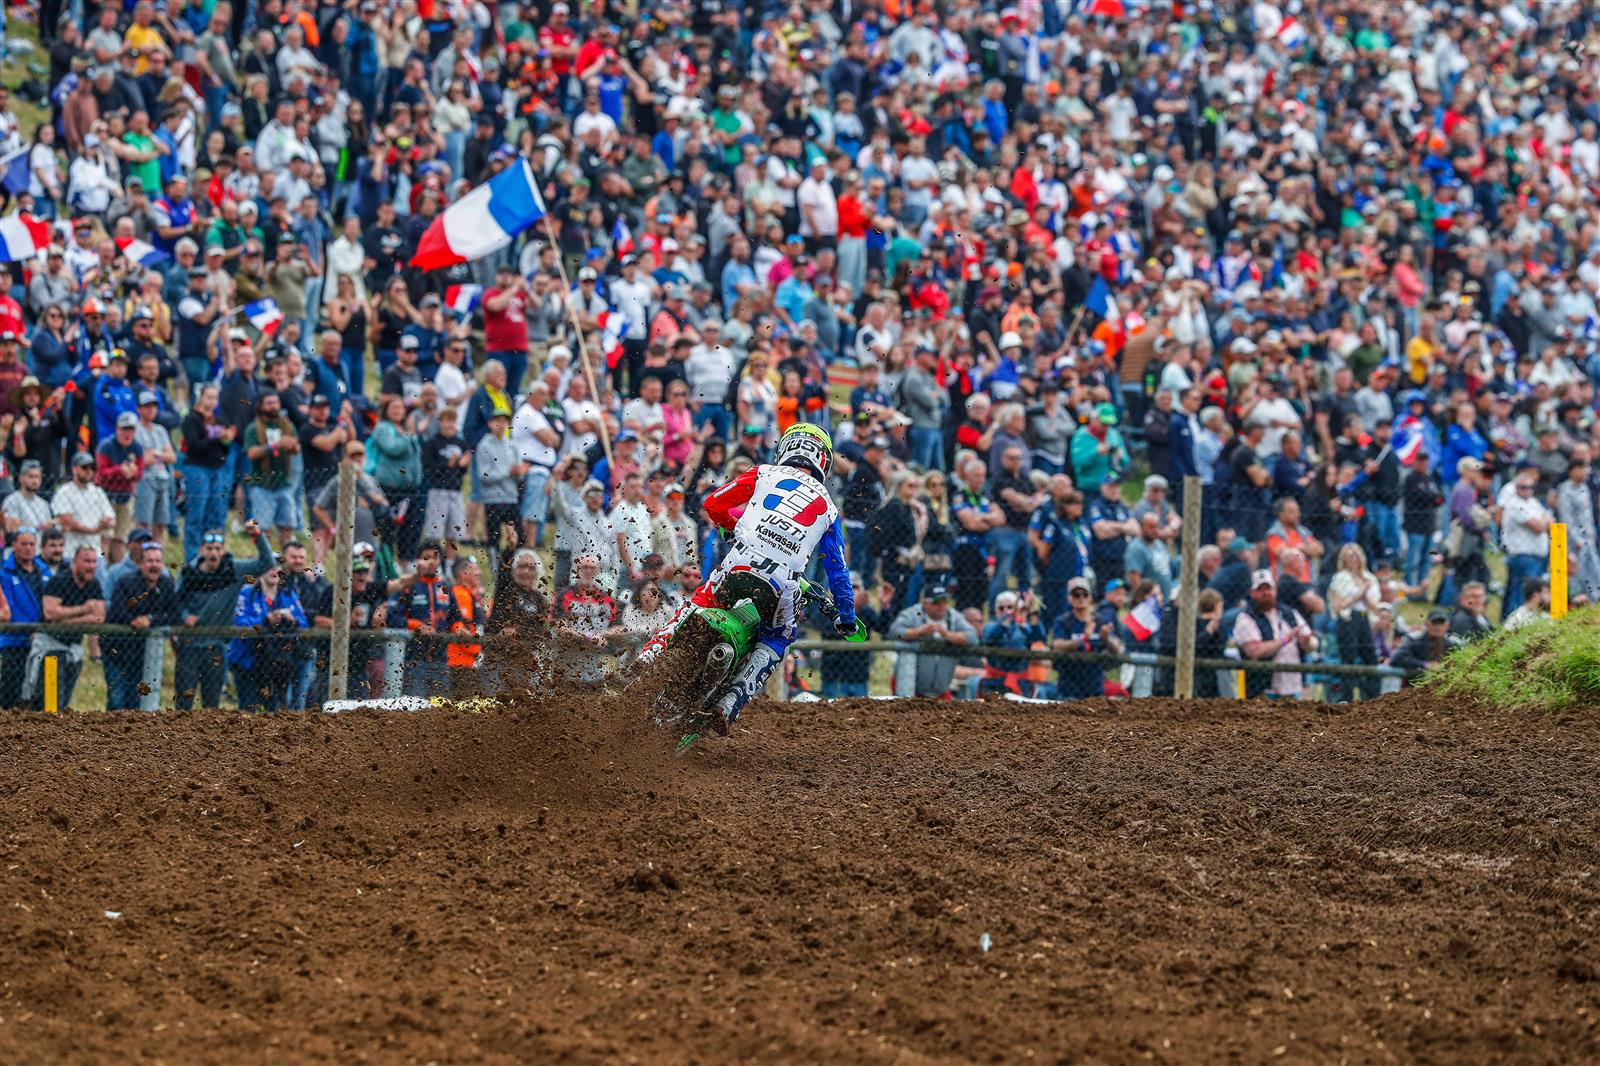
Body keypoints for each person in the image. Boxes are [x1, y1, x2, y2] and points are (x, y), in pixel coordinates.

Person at [636, 424, 857, 730]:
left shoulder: (763, 472)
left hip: (740, 562)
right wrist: (846, 614)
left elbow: (712, 504)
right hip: (783, 582)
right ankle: (730, 703)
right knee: (779, 637)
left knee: (698, 602)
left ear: (786, 449)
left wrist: (731, 526)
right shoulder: (830, 508)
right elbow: (838, 569)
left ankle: (649, 656)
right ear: (823, 461)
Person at [176, 521, 276, 710]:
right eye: (209, 548)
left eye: (217, 548)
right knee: (183, 701)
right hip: (190, 645)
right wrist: (185, 615)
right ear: (201, 550)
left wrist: (257, 535)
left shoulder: (234, 570)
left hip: (216, 646)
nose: (214, 553)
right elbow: (175, 601)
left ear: (223, 550)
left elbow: (267, 563)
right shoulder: (189, 573)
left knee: (212, 704)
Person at [104, 540, 181, 711]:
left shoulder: (166, 584)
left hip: (143, 653)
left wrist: (150, 620)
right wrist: (134, 621)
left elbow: (175, 615)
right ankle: (108, 734)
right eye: (149, 561)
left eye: (157, 561)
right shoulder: (126, 582)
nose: (154, 565)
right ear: (140, 563)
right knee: (117, 700)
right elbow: (116, 612)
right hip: (117, 649)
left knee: (137, 700)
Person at [226, 558, 308, 713]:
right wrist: (265, 619)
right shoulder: (246, 592)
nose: (273, 570)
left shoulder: (288, 594)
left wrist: (292, 619)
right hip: (248, 661)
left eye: (276, 566)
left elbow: (304, 622)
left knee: (275, 712)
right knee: (248, 710)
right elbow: (239, 621)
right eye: (269, 566)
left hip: (278, 664)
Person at [1231, 569, 1317, 700]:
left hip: (1293, 688)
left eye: (1268, 589)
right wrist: (1286, 639)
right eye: (1260, 590)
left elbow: (1312, 643)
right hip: (1262, 690)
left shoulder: (1289, 613)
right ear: (1252, 593)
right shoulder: (1245, 618)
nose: (1266, 593)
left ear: (1275, 590)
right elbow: (1255, 651)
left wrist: (1307, 643)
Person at [39, 545, 106, 709]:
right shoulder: (59, 581)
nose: (91, 566)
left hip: (73, 648)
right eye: (87, 561)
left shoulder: (93, 584)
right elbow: (50, 613)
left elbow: (99, 617)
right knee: (51, 704)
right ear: (75, 562)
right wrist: (84, 609)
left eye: (94, 561)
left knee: (64, 701)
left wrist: (68, 621)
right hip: (50, 649)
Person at [888, 582, 978, 698]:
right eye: (937, 602)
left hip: (940, 691)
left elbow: (972, 637)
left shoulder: (953, 617)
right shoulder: (916, 613)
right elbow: (894, 633)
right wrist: (919, 632)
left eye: (945, 601)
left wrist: (947, 635)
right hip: (910, 688)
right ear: (925, 603)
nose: (942, 606)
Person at [1051, 575, 1121, 701]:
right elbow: (1057, 644)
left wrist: (1106, 638)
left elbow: (1118, 648)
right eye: (1076, 595)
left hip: (1095, 689)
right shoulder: (1063, 621)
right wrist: (1084, 638)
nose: (1080, 598)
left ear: (1090, 597)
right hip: (1069, 688)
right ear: (1069, 598)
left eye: (1084, 594)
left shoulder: (1100, 621)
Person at [1389, 608, 1454, 685]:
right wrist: (1425, 665)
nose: (1438, 627)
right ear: (1427, 624)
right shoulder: (1414, 639)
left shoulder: (1453, 644)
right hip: (1412, 687)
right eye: (1434, 623)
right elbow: (1396, 658)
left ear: (1447, 625)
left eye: (1441, 624)